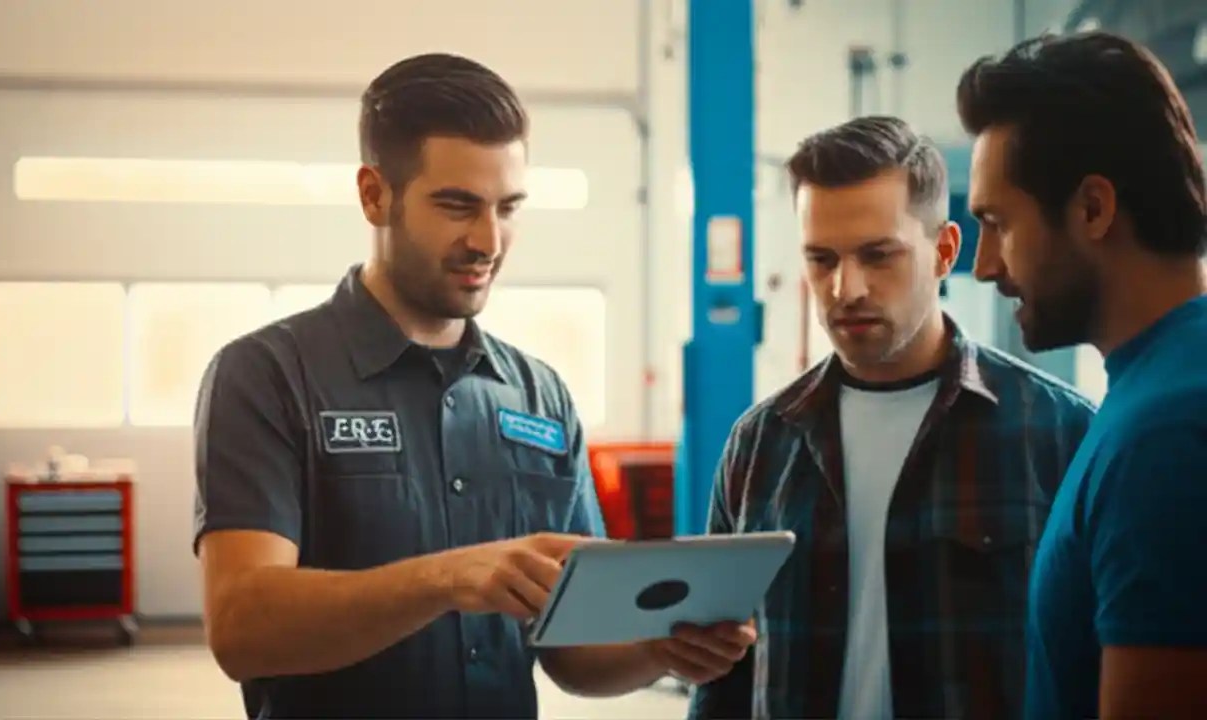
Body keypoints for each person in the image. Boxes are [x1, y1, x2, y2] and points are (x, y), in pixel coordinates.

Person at [192, 52, 753, 719]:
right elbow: (241, 628)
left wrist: (664, 649)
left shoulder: (540, 397)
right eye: (457, 206)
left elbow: (573, 652)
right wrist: (446, 579)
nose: (488, 240)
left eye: (507, 208)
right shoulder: (268, 377)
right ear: (375, 194)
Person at [686, 115, 1096, 720]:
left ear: (945, 251)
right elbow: (721, 680)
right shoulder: (761, 444)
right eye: (821, 260)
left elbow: (1097, 665)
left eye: (878, 256)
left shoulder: (1057, 433)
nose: (844, 289)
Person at [959, 31, 1207, 719]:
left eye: (996, 223)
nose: (984, 266)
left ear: (1093, 209)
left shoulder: (1164, 435)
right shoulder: (1155, 393)